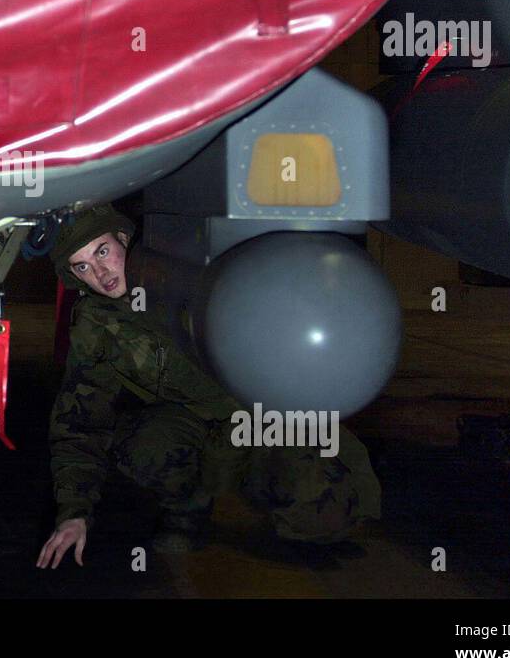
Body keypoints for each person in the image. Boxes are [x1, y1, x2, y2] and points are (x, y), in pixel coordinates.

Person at [36, 204, 380, 568]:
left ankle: (278, 490)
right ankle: (188, 507)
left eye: (102, 251)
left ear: (124, 237)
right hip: (191, 426)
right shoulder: (96, 326)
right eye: (83, 267)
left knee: (325, 511)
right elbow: (80, 420)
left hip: (257, 416)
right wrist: (74, 512)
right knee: (145, 444)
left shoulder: (187, 272)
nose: (100, 272)